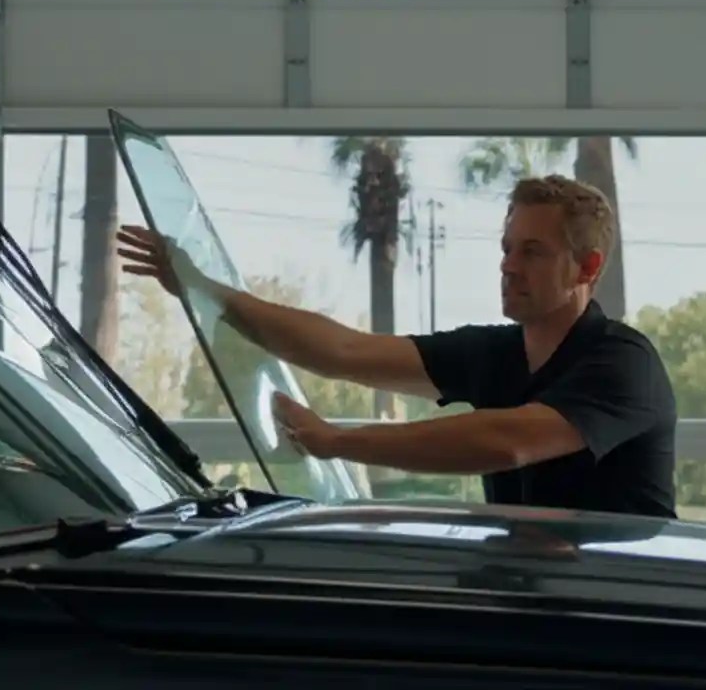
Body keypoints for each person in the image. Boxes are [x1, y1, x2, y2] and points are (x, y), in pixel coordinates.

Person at [116, 174, 677, 518]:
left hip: (631, 614)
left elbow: (505, 442)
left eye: (532, 252)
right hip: (535, 597)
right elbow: (344, 352)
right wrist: (202, 289)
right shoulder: (495, 353)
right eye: (506, 248)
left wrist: (338, 442)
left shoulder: (624, 362)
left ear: (587, 267)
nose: (508, 265)